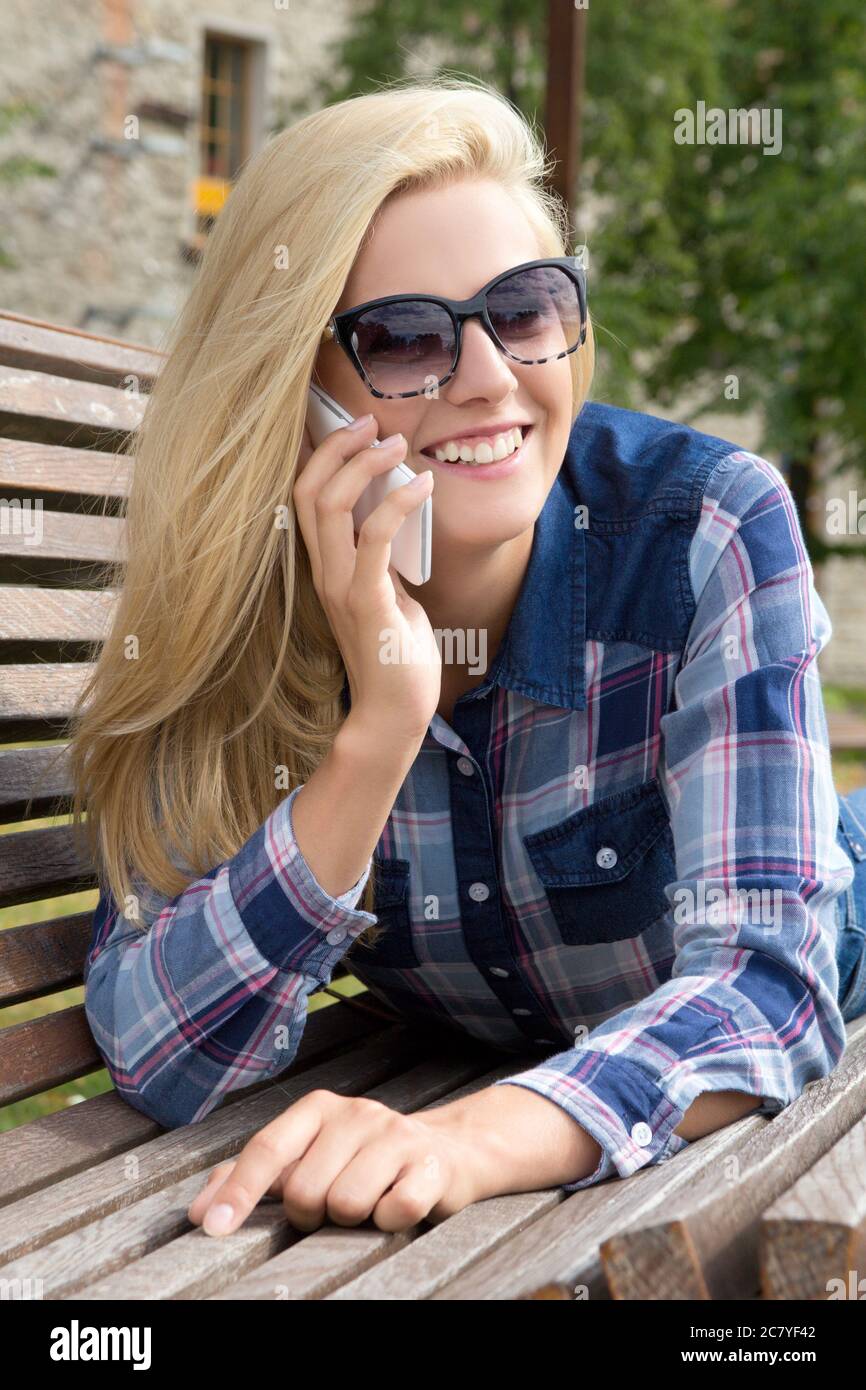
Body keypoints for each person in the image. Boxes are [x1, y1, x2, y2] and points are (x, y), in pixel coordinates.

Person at [72, 76, 866, 1240]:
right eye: (404, 338)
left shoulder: (703, 527)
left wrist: (466, 1137)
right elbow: (152, 1046)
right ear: (294, 396)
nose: (489, 375)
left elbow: (763, 983)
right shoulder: (243, 612)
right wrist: (379, 728)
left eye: (524, 310)